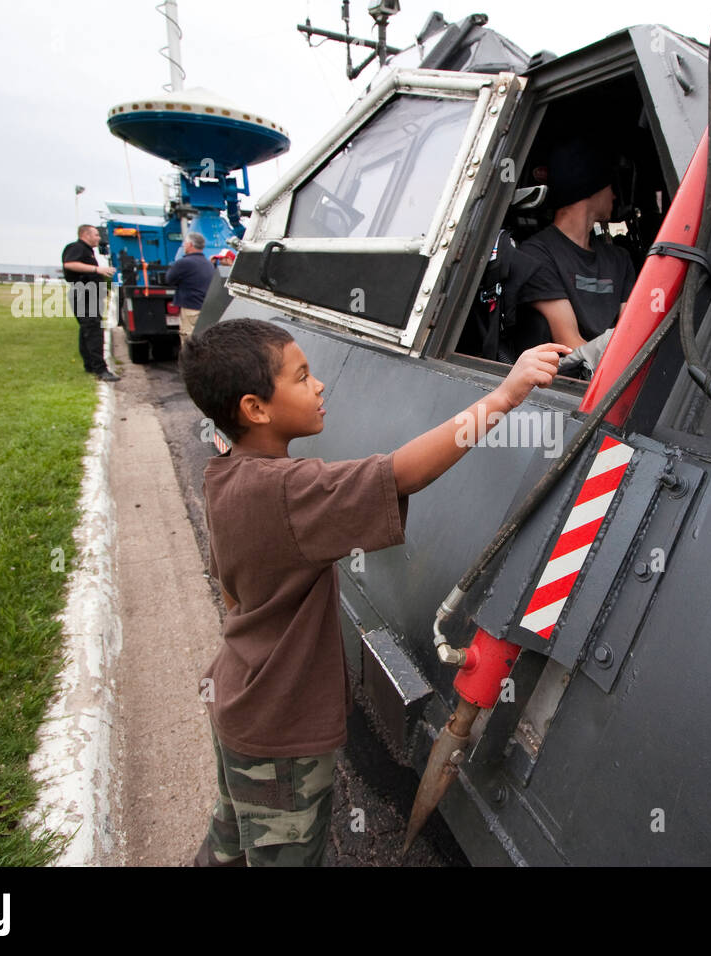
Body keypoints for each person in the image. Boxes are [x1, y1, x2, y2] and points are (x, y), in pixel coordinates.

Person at [179, 318, 569, 866]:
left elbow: (231, 586)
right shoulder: (289, 492)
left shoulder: (226, 476)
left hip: (238, 700)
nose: (319, 386)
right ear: (255, 408)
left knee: (230, 840)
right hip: (281, 732)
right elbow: (402, 474)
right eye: (302, 377)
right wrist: (504, 396)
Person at [515, 139, 637, 375]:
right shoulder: (537, 255)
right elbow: (569, 343)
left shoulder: (620, 259)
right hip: (579, 382)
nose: (614, 195)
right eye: (609, 185)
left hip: (618, 370)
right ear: (591, 188)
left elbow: (630, 331)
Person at [61, 224, 119, 382]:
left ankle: (90, 365)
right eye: (96, 235)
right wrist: (96, 270)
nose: (99, 238)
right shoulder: (77, 247)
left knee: (87, 331)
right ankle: (101, 370)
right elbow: (69, 264)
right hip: (83, 295)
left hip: (89, 295)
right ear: (85, 235)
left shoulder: (87, 251)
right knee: (94, 332)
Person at [165, 231, 216, 340]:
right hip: (205, 309)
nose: (184, 245)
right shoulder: (209, 264)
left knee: (189, 342)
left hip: (190, 309)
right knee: (203, 340)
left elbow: (169, 279)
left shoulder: (184, 263)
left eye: (185, 243)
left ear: (190, 245)